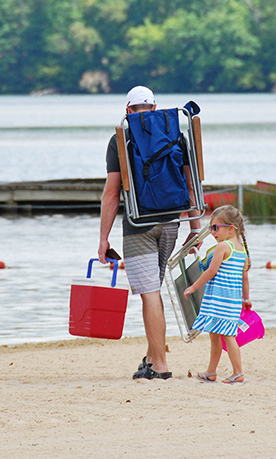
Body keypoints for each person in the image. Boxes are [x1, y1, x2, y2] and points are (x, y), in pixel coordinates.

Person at [98, 85, 202, 380]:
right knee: (152, 291)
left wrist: (103, 238)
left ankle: (161, 366)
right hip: (171, 223)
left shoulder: (121, 138)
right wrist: (194, 228)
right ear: (155, 108)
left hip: (138, 225)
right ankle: (153, 357)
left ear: (128, 111)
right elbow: (191, 185)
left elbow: (111, 193)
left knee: (150, 293)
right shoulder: (175, 135)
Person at [184, 205, 252, 384]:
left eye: (215, 228)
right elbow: (245, 279)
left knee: (228, 336)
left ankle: (238, 372)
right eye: (211, 228)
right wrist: (246, 299)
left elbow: (210, 272)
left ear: (231, 228)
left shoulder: (223, 246)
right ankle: (211, 371)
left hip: (219, 299)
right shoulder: (242, 251)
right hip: (232, 301)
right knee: (216, 334)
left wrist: (193, 287)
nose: (212, 232)